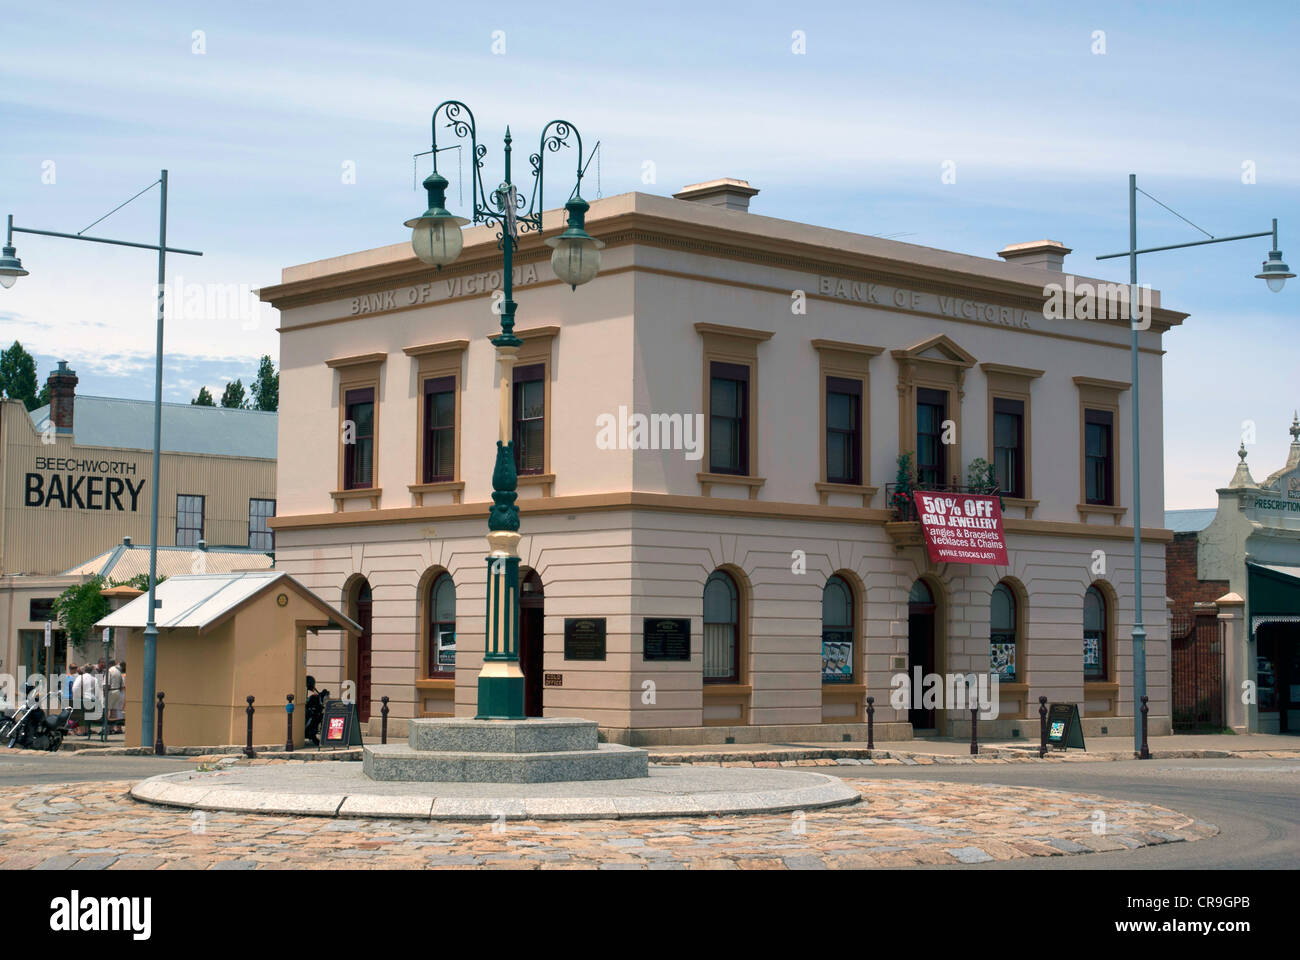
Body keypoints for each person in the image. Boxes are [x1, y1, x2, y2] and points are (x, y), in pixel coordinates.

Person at [106, 660, 124, 735]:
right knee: (114, 711)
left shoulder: (109, 671)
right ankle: (113, 728)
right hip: (117, 691)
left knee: (107, 710)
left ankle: (107, 729)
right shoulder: (118, 671)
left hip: (111, 691)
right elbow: (121, 685)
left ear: (109, 664)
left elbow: (107, 684)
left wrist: (105, 694)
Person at [304, 675, 322, 746]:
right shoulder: (310, 693)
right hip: (310, 714)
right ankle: (312, 735)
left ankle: (312, 735)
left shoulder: (309, 693)